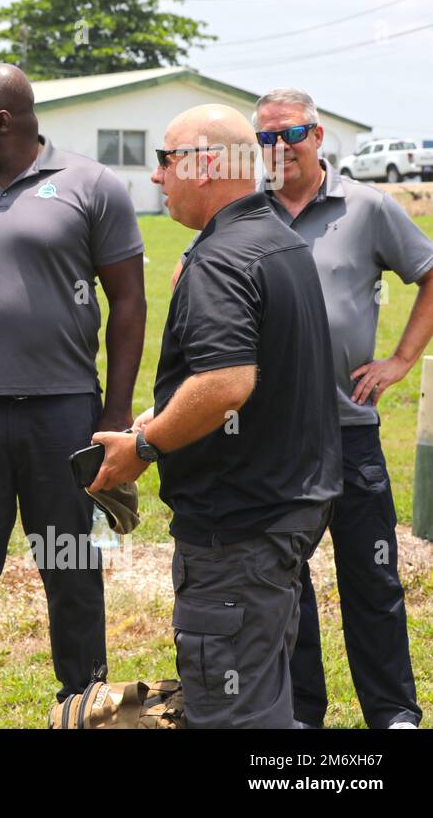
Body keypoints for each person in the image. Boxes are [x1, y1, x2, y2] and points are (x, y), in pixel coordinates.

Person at [0, 63, 146, 728]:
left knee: (72, 574)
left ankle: (85, 709)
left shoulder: (91, 185)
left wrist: (117, 414)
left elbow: (128, 300)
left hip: (65, 413)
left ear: (4, 120)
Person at [91, 103, 341, 729]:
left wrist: (143, 447)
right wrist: (153, 417)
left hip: (237, 529)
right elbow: (255, 376)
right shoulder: (279, 240)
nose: (156, 177)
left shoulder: (222, 259)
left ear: (204, 165)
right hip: (284, 512)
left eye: (164, 160)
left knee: (234, 713)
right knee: (261, 693)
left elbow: (227, 381)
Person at [252, 88, 429, 729]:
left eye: (291, 134)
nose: (280, 149)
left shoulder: (367, 207)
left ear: (319, 135)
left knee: (373, 580)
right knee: (284, 585)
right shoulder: (249, 214)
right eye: (266, 138)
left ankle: (393, 716)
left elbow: (429, 270)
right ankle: (300, 716)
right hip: (271, 437)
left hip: (349, 430)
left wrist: (400, 361)